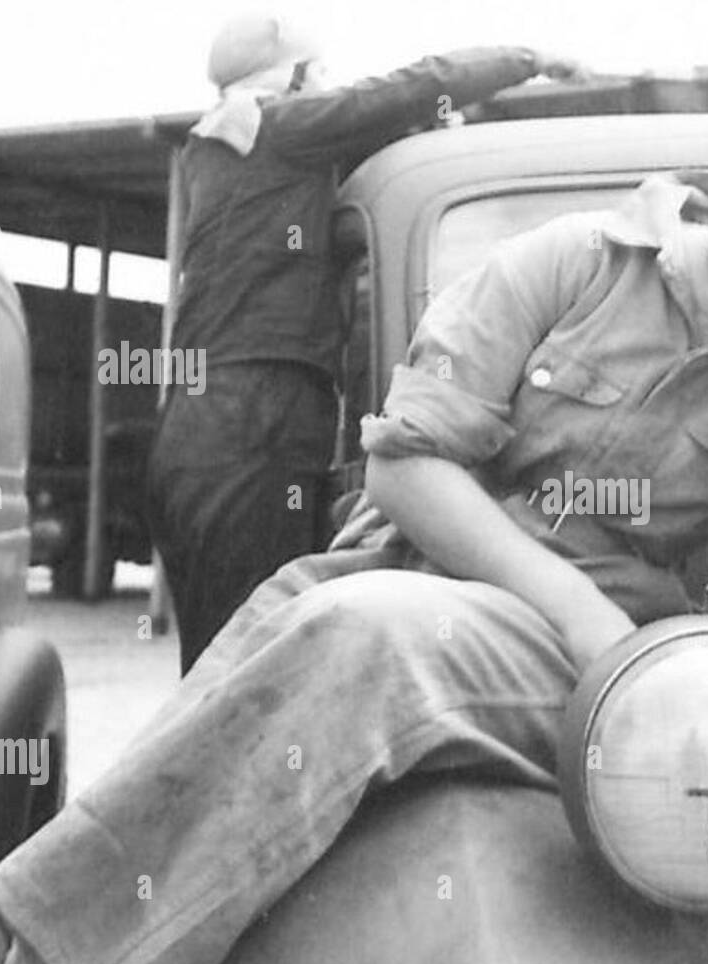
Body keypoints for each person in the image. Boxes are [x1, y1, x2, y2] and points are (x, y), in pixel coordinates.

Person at [0, 157, 708, 964]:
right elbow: (405, 466)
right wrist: (572, 606)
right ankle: (22, 956)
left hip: (597, 666)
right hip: (443, 581)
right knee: (276, 641)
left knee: (370, 643)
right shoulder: (572, 268)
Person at [147, 12, 587, 673]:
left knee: (218, 657)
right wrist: (532, 54)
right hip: (249, 425)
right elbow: (414, 84)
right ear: (292, 80)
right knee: (249, 664)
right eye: (320, 75)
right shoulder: (276, 129)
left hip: (197, 431)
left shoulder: (224, 153)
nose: (330, 87)